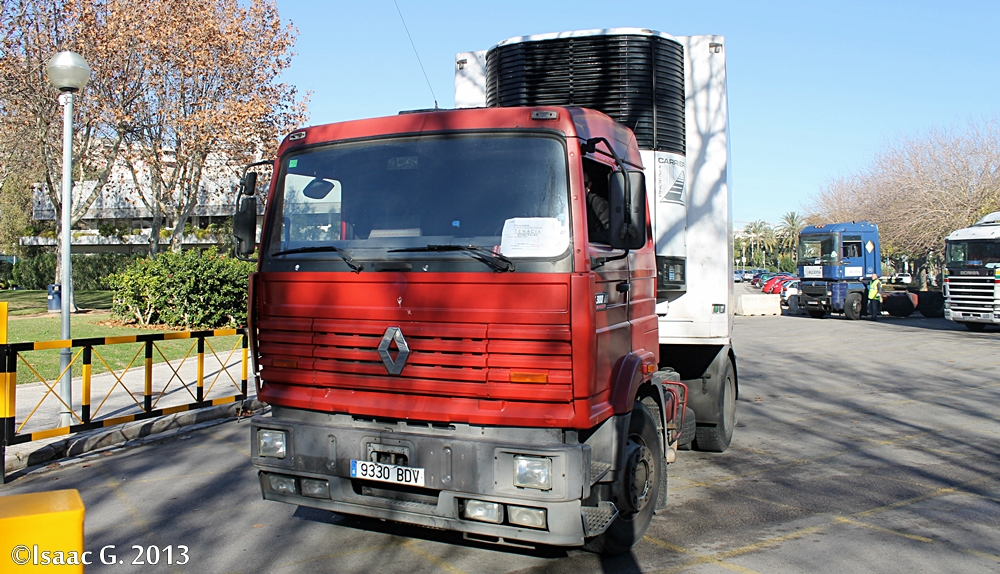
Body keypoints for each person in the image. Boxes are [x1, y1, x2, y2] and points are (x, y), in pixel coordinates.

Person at [584, 170, 610, 242]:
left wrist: (586, 238)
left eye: (582, 184)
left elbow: (611, 233)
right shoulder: (558, 204)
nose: (574, 189)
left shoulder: (598, 204)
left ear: (589, 186)